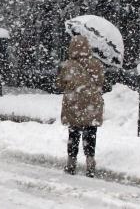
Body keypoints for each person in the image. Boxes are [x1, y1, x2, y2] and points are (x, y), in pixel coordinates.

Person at [57, 35, 104, 177]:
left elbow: (60, 84)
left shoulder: (67, 66)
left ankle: (71, 164)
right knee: (90, 133)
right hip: (92, 103)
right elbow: (101, 82)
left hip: (74, 104)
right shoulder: (96, 64)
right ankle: (90, 163)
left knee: (74, 134)